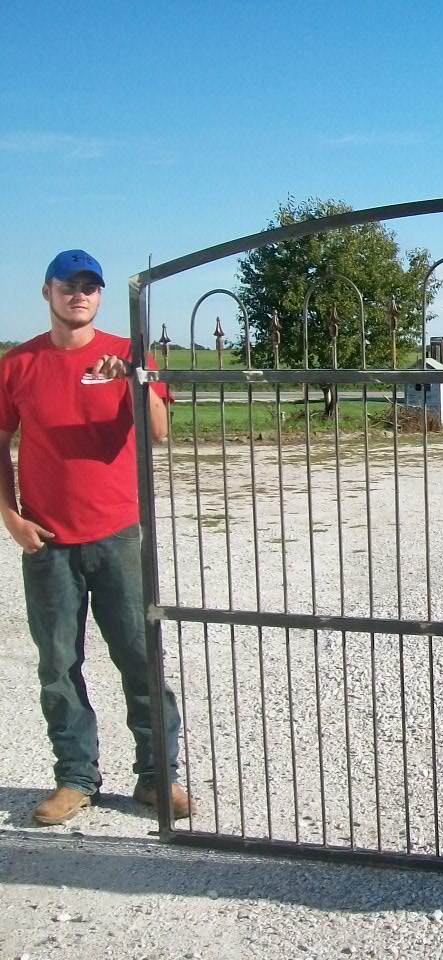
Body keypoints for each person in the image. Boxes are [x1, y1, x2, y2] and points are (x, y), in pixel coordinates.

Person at [0, 249, 192, 825]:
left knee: (140, 658)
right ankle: (76, 779)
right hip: (47, 541)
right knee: (58, 666)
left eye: (89, 286)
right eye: (68, 284)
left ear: (101, 295)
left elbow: (158, 433)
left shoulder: (129, 354)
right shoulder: (18, 364)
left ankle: (158, 779)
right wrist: (11, 517)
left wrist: (136, 383)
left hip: (117, 537)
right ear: (47, 291)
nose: (78, 294)